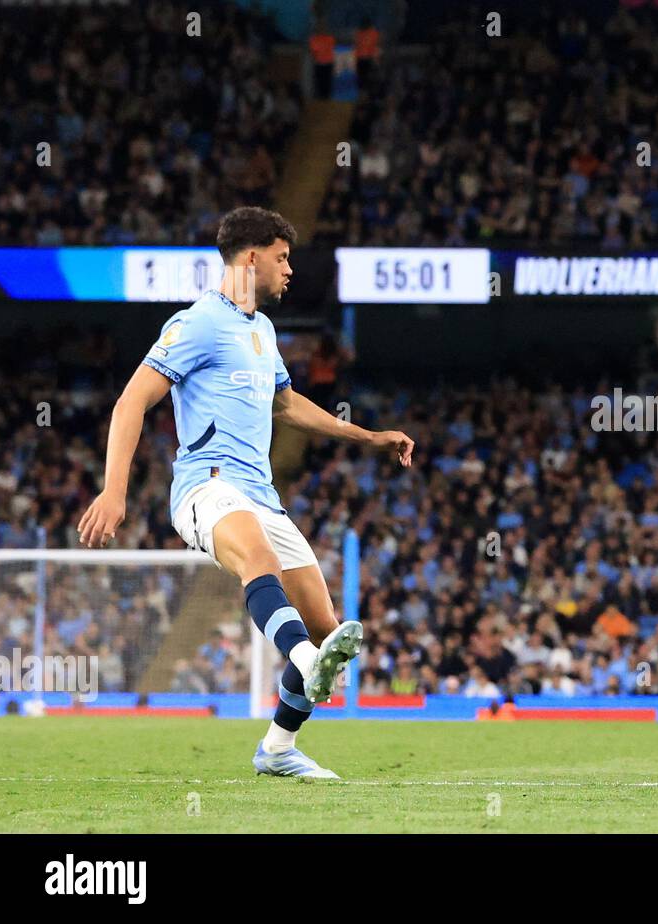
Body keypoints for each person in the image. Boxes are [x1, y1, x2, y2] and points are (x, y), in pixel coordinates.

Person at [77, 207, 414, 778]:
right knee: (263, 570)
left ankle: (278, 748)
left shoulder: (262, 330)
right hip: (206, 485)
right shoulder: (197, 324)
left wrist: (367, 436)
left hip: (261, 494)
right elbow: (131, 401)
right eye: (283, 258)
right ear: (251, 256)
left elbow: (286, 404)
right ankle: (305, 661)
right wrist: (115, 490)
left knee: (325, 629)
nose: (290, 271)